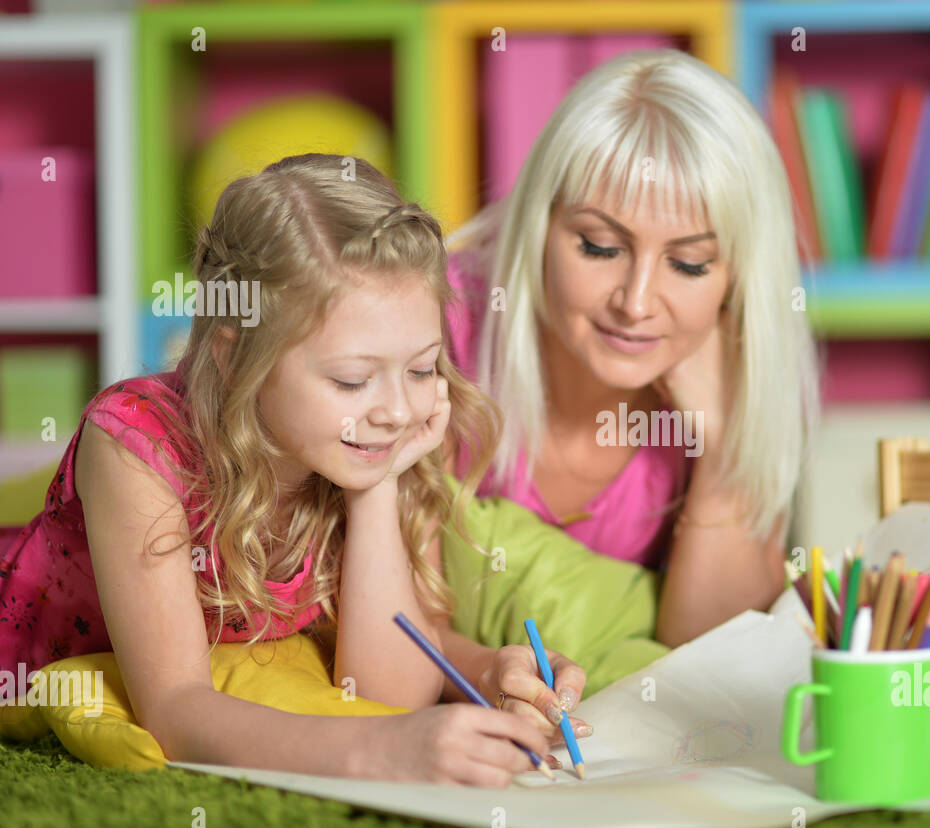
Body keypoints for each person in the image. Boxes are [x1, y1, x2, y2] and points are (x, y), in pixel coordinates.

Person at [0, 154, 586, 787]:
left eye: (422, 368)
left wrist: (490, 669)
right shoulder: (136, 444)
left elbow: (394, 682)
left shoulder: (386, 437)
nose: (395, 409)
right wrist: (381, 751)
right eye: (353, 379)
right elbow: (174, 713)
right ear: (233, 356)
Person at [442, 49, 821, 649]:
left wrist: (722, 456)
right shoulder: (440, 330)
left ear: (738, 279)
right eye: (598, 247)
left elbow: (713, 662)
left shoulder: (743, 377)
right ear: (541, 227)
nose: (637, 302)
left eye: (688, 264)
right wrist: (490, 680)